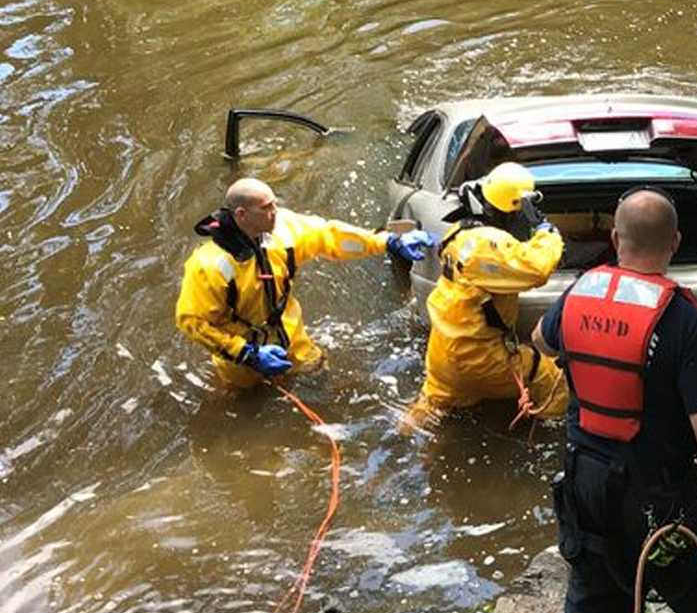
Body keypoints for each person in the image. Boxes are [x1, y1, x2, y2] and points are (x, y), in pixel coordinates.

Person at [532, 188, 697, 613]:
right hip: (662, 497)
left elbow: (541, 339)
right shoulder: (684, 319)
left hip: (585, 487)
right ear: (676, 243)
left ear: (615, 239)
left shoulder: (581, 292)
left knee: (597, 599)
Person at [176, 177, 434, 390]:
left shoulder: (283, 231)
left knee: (320, 378)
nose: (275, 211)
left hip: (293, 341)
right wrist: (247, 354)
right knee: (245, 404)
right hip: (240, 358)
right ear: (242, 215)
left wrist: (387, 242)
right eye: (266, 207)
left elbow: (330, 238)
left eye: (274, 204)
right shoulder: (209, 266)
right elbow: (192, 322)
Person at [406, 161, 568, 428]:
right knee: (550, 377)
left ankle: (401, 437)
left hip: (444, 352)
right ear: (516, 209)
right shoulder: (489, 244)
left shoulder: (459, 231)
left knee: (430, 408)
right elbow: (537, 270)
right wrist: (545, 233)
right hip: (479, 358)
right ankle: (548, 432)